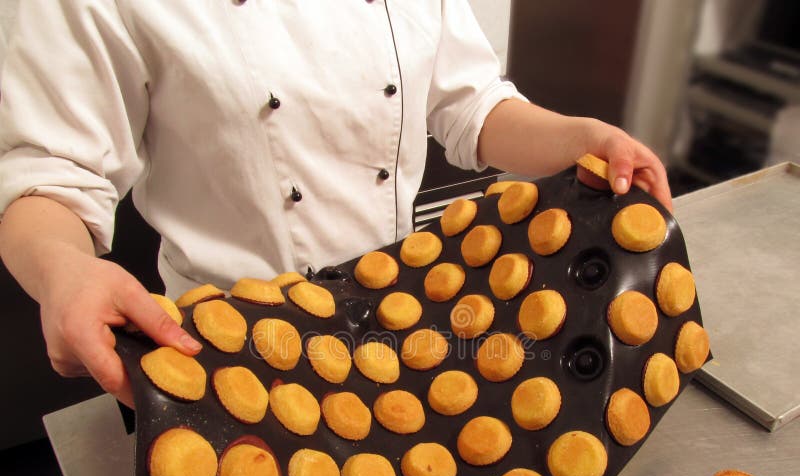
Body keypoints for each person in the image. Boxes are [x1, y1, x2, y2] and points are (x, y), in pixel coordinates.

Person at [0, 0, 671, 408]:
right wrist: (63, 268)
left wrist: (582, 138)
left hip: (406, 321)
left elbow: (470, 104)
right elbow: (50, 171)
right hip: (229, 349)